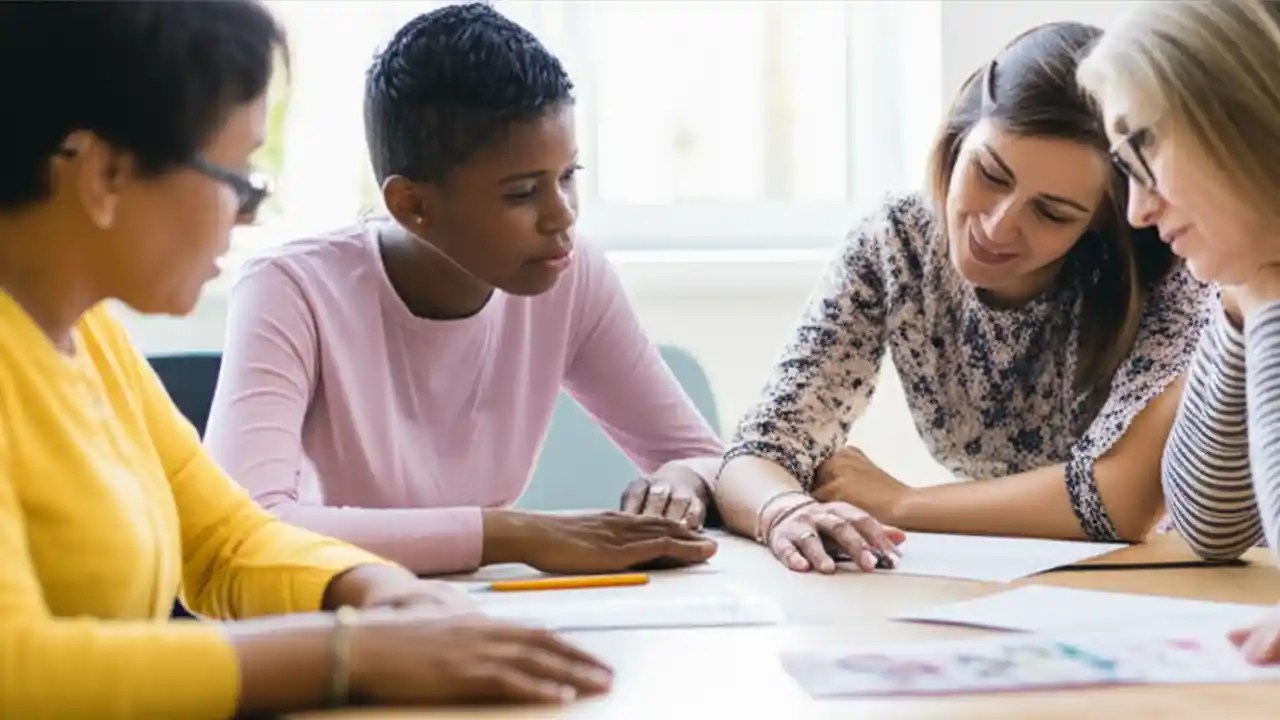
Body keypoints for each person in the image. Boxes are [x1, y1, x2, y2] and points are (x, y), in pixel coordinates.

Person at [0, 3, 614, 716]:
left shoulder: (88, 334)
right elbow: (17, 669)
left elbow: (225, 541)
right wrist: (351, 653)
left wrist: (382, 592)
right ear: (106, 174)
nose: (249, 211)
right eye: (238, 175)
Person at [203, 3, 721, 576]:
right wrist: (511, 534)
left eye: (568, 176)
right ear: (413, 205)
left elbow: (709, 457)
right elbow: (249, 526)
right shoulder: (290, 289)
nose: (562, 216)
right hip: (335, 627)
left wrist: (683, 477)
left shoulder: (570, 274)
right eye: (523, 192)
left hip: (478, 621)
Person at [713, 21, 1214, 574]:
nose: (999, 227)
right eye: (990, 173)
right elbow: (758, 451)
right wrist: (784, 508)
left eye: (1051, 213)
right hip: (1022, 580)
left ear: (1102, 222)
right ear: (958, 139)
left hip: (1193, 579)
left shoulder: (1174, 274)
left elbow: (1119, 502)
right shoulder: (896, 241)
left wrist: (900, 504)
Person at [1077, 0, 1280, 665]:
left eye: (1142, 151)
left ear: (1242, 112)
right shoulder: (1252, 285)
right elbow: (1211, 526)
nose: (1137, 211)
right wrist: (1246, 302)